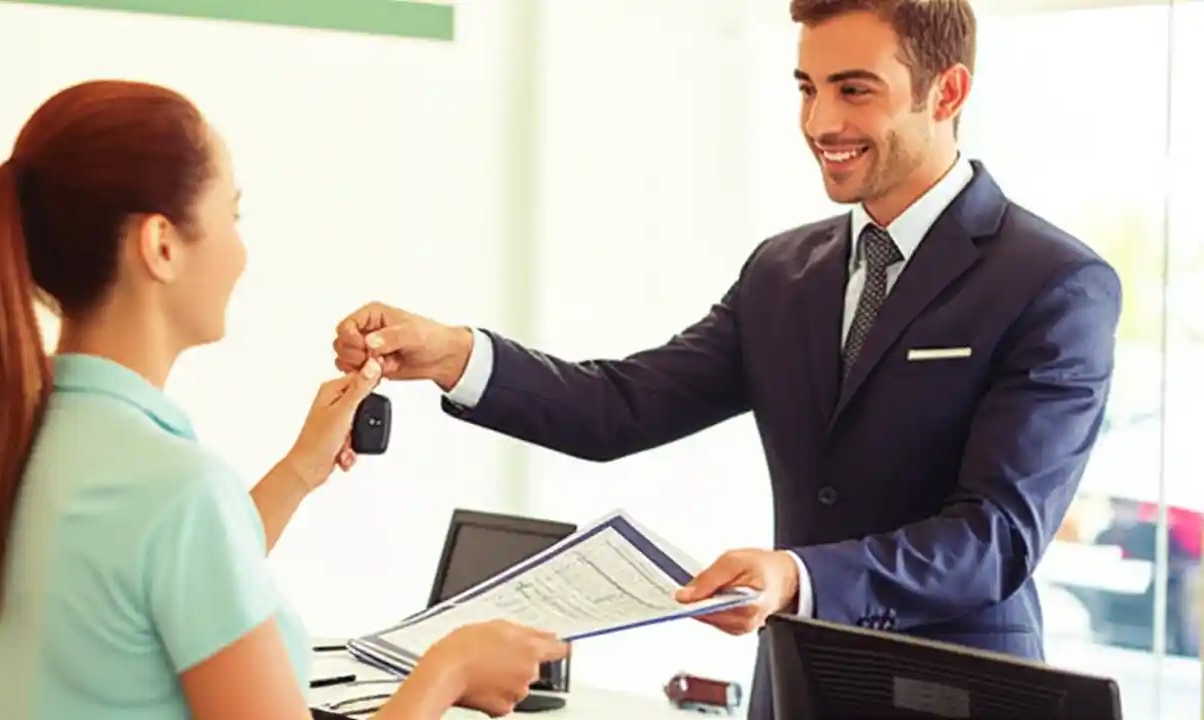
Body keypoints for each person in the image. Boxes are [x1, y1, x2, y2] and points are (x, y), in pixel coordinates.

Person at [332, 0, 1122, 717]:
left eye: (854, 90)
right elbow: (623, 405)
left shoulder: (1053, 282)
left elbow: (999, 536)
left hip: (961, 695)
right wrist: (455, 356)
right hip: (795, 691)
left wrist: (798, 577)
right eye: (806, 89)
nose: (820, 122)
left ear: (946, 93)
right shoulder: (784, 273)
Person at [0, 79, 567, 720]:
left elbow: (155, 577)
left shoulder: (25, 443)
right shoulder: (175, 490)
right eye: (231, 216)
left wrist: (299, 470)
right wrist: (449, 670)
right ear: (161, 246)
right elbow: (177, 537)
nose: (241, 253)